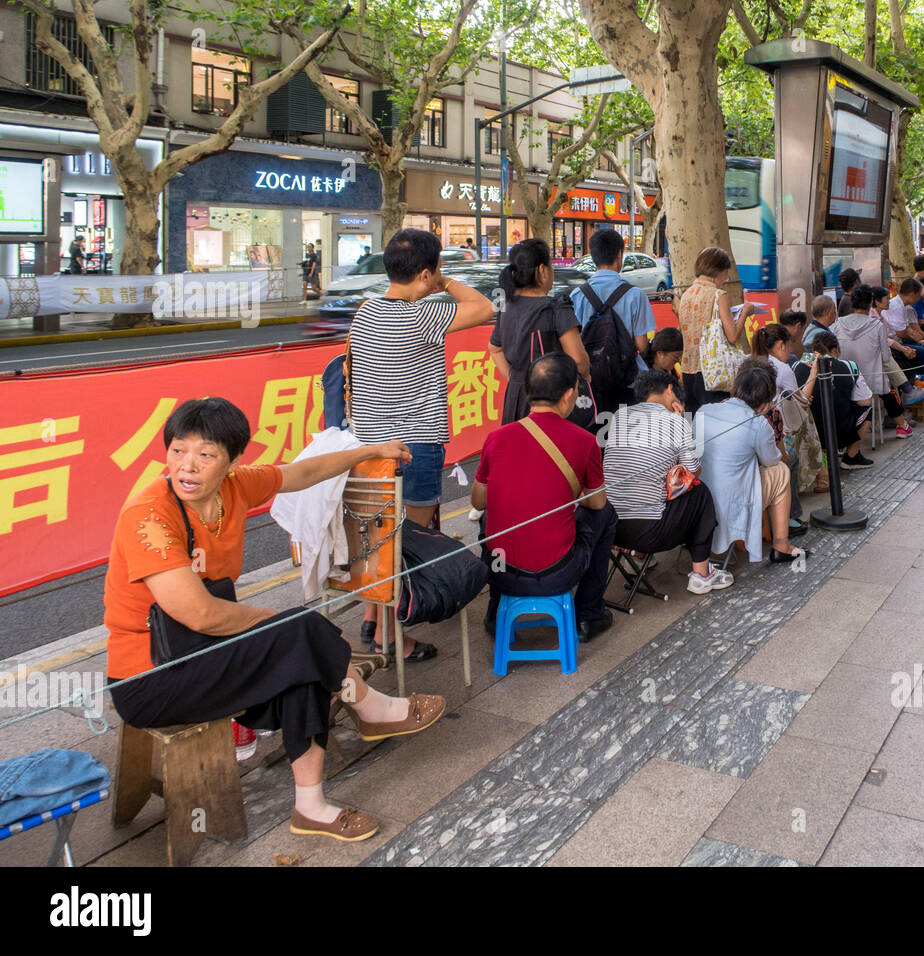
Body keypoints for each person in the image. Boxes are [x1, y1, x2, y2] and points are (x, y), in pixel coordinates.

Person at [105, 398, 439, 843]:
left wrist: (368, 451)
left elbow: (303, 473)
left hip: (205, 652)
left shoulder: (235, 487)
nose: (188, 466)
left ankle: (311, 807)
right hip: (151, 677)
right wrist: (276, 623)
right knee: (297, 634)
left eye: (205, 454)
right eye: (178, 451)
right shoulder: (148, 515)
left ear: (231, 461)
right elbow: (197, 612)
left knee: (300, 665)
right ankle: (371, 707)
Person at [350, 228, 494, 657]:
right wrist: (444, 281)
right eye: (433, 274)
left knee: (375, 536)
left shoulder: (365, 311)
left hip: (368, 446)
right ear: (426, 273)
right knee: (409, 541)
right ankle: (391, 637)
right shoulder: (421, 317)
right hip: (415, 444)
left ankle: (371, 616)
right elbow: (484, 307)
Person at [472, 353, 617, 643]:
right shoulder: (584, 440)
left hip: (503, 571)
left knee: (490, 518)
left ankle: (495, 613)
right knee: (606, 515)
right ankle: (587, 614)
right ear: (567, 395)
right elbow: (598, 503)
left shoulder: (497, 437)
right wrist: (570, 498)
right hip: (558, 573)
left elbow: (478, 502)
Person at [602, 369, 732, 593]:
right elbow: (693, 472)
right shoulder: (674, 421)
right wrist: (682, 423)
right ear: (670, 389)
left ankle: (639, 558)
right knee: (700, 494)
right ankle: (702, 574)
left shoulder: (618, 417)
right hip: (651, 531)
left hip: (613, 528)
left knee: (648, 486)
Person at [694, 360, 805, 564]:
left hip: (698, 502)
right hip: (731, 506)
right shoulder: (758, 424)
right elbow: (772, 460)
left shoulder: (704, 410)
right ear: (767, 403)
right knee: (780, 471)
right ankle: (781, 545)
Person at [489, 238, 591, 425]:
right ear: (542, 271)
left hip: (516, 398)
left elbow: (495, 349)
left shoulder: (506, 306)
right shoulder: (555, 308)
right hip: (551, 402)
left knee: (519, 451)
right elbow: (579, 362)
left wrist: (516, 378)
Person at [572, 228, 657, 406]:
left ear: (593, 256)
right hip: (627, 382)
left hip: (590, 384)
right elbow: (641, 345)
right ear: (619, 254)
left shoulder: (577, 295)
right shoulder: (635, 295)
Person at [751, 321, 823, 530]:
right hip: (772, 431)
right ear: (781, 345)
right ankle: (790, 516)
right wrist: (813, 373)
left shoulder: (750, 361)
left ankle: (821, 477)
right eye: (790, 347)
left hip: (749, 426)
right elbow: (799, 405)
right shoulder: (782, 369)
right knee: (789, 457)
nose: (790, 351)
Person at [677, 246, 753, 413]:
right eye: (726, 273)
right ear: (719, 270)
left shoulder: (686, 295)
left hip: (687, 371)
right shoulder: (718, 295)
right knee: (716, 425)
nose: (725, 278)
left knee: (694, 426)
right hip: (712, 374)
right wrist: (745, 312)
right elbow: (732, 336)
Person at [834, 284, 914, 437]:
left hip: (847, 381)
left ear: (852, 303)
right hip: (872, 381)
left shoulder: (839, 324)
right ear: (871, 303)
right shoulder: (877, 325)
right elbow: (885, 357)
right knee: (887, 387)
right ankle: (902, 425)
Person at [794, 332, 876, 468]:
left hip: (809, 433)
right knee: (868, 410)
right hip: (841, 433)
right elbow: (865, 402)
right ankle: (851, 457)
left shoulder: (797, 366)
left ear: (813, 349)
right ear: (836, 349)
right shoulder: (849, 366)